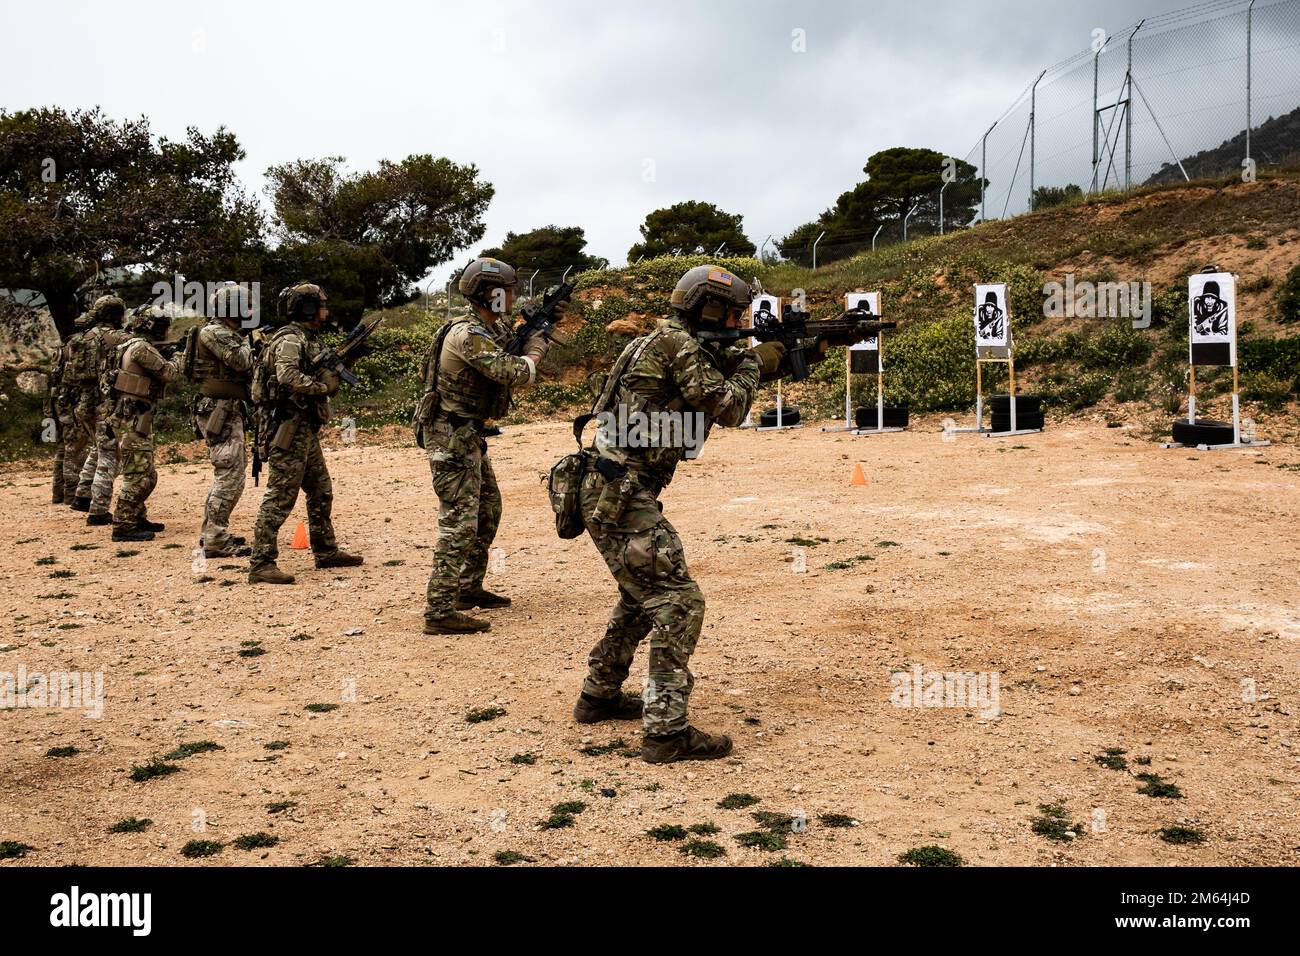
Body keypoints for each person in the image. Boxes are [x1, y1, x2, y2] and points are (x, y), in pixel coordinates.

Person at [571, 264, 784, 763]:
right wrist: (756, 364)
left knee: (639, 593)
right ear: (709, 310)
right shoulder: (680, 348)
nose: (739, 322)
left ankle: (599, 694)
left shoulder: (665, 341)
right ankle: (666, 732)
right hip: (620, 494)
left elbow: (696, 391)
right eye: (734, 314)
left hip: (609, 487)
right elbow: (728, 408)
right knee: (679, 601)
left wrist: (779, 353)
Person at [414, 257, 562, 634]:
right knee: (459, 523)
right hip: (452, 437)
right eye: (507, 291)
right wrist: (536, 347)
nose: (512, 297)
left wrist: (535, 325)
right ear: (491, 294)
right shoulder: (469, 334)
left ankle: (466, 587)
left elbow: (509, 344)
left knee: (488, 509)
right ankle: (439, 610)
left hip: (467, 435)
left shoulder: (487, 328)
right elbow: (513, 372)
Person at [248, 282, 362, 584]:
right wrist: (320, 387)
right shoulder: (289, 340)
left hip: (304, 429)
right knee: (280, 496)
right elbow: (287, 376)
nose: (325, 310)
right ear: (307, 308)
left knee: (321, 489)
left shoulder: (306, 338)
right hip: (288, 427)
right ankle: (261, 562)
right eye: (320, 305)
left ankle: (325, 551)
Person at [107, 306, 181, 542]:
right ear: (154, 326)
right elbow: (169, 374)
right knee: (137, 474)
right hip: (133, 419)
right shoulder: (141, 348)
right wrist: (179, 355)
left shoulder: (130, 345)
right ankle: (123, 525)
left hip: (133, 416)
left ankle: (137, 516)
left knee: (147, 473)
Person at [194, 284, 254, 557]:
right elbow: (241, 361)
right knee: (228, 475)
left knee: (231, 474)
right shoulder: (215, 332)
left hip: (226, 409)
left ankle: (213, 533)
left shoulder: (225, 332)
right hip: (219, 411)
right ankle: (216, 539)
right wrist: (252, 341)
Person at [75, 295, 130, 526]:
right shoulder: (117, 337)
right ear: (115, 316)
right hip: (104, 404)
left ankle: (82, 495)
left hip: (83, 402)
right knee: (109, 456)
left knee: (98, 449)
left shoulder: (83, 337)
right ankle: (97, 511)